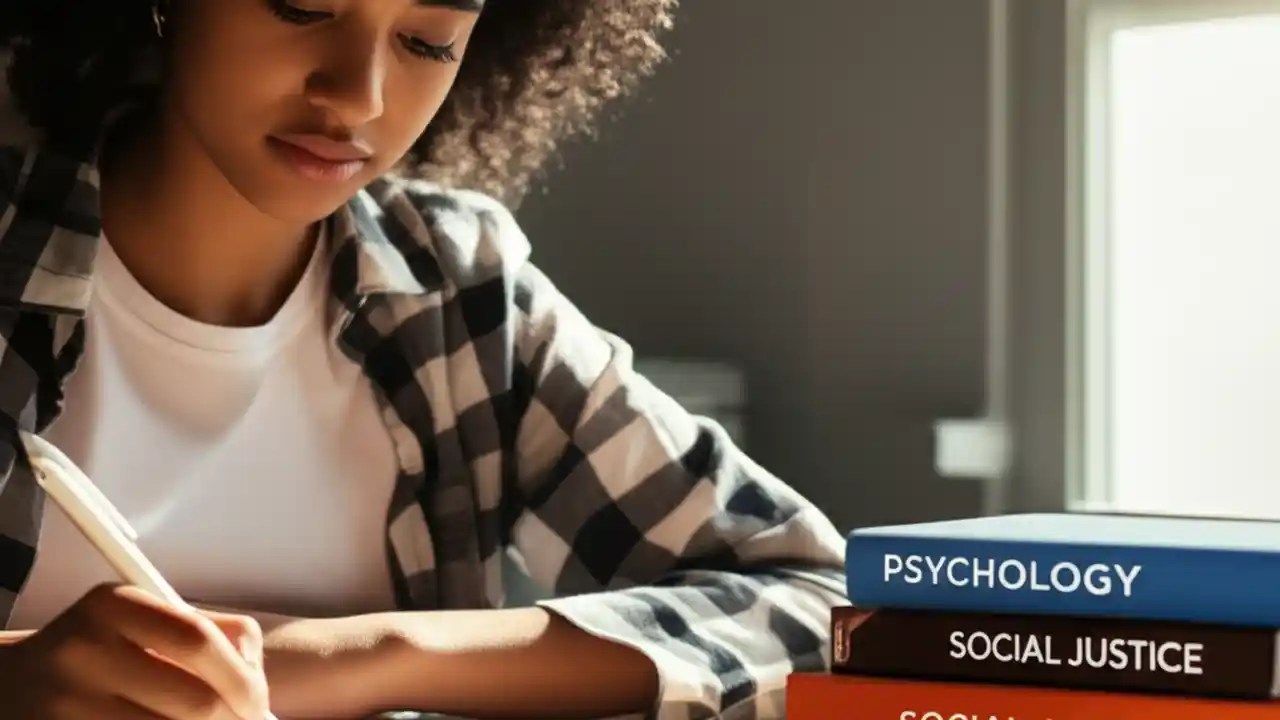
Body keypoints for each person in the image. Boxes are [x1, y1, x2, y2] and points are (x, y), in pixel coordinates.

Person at [0, 1, 847, 718]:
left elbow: (823, 604)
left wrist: (372, 657)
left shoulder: (460, 292)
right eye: (305, 5)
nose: (358, 96)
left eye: (427, 39)